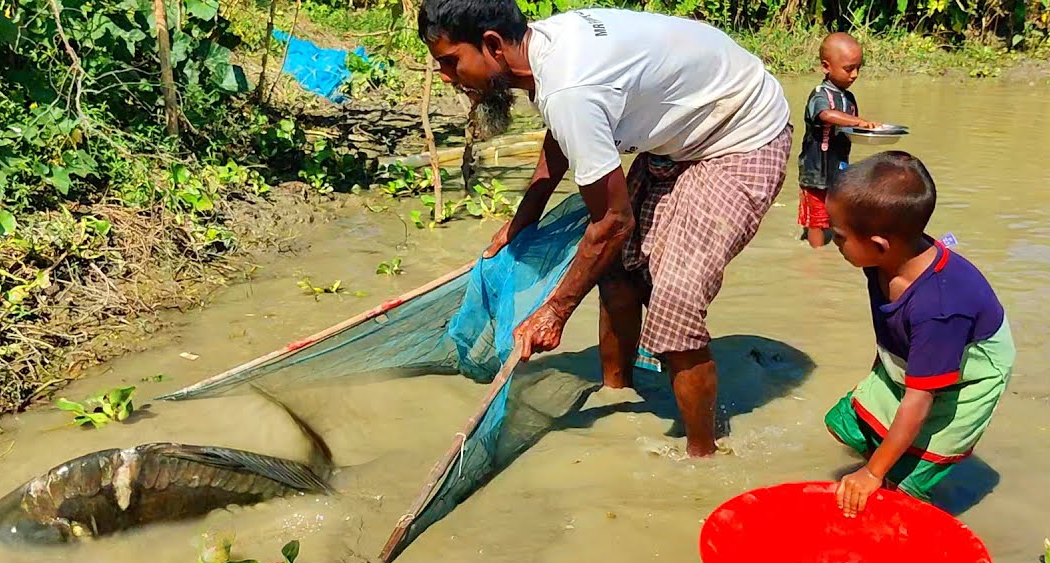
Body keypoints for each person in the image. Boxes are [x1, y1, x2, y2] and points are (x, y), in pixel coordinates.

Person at [417, 0, 792, 457]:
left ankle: (702, 457)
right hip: (681, 132)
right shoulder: (541, 51)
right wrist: (524, 219)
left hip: (740, 136)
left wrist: (555, 310)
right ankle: (617, 389)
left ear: (492, 45)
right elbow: (564, 131)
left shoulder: (570, 84)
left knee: (675, 302)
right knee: (614, 270)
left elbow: (613, 222)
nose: (446, 76)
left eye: (451, 61)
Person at [825, 151, 1015, 517]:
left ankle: (910, 500)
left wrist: (871, 474)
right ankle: (888, 457)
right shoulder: (881, 262)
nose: (836, 245)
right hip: (912, 359)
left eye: (838, 237)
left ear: (879, 244)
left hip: (969, 374)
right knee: (847, 424)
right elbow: (890, 329)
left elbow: (920, 399)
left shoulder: (939, 308)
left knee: (903, 490)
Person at [798, 32, 880, 250]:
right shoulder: (820, 94)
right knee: (816, 216)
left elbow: (849, 129)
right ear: (826, 67)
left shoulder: (848, 98)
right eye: (849, 68)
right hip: (816, 168)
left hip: (838, 165)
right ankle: (816, 256)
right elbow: (825, 115)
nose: (854, 75)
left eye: (858, 68)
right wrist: (859, 121)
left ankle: (835, 247)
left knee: (837, 209)